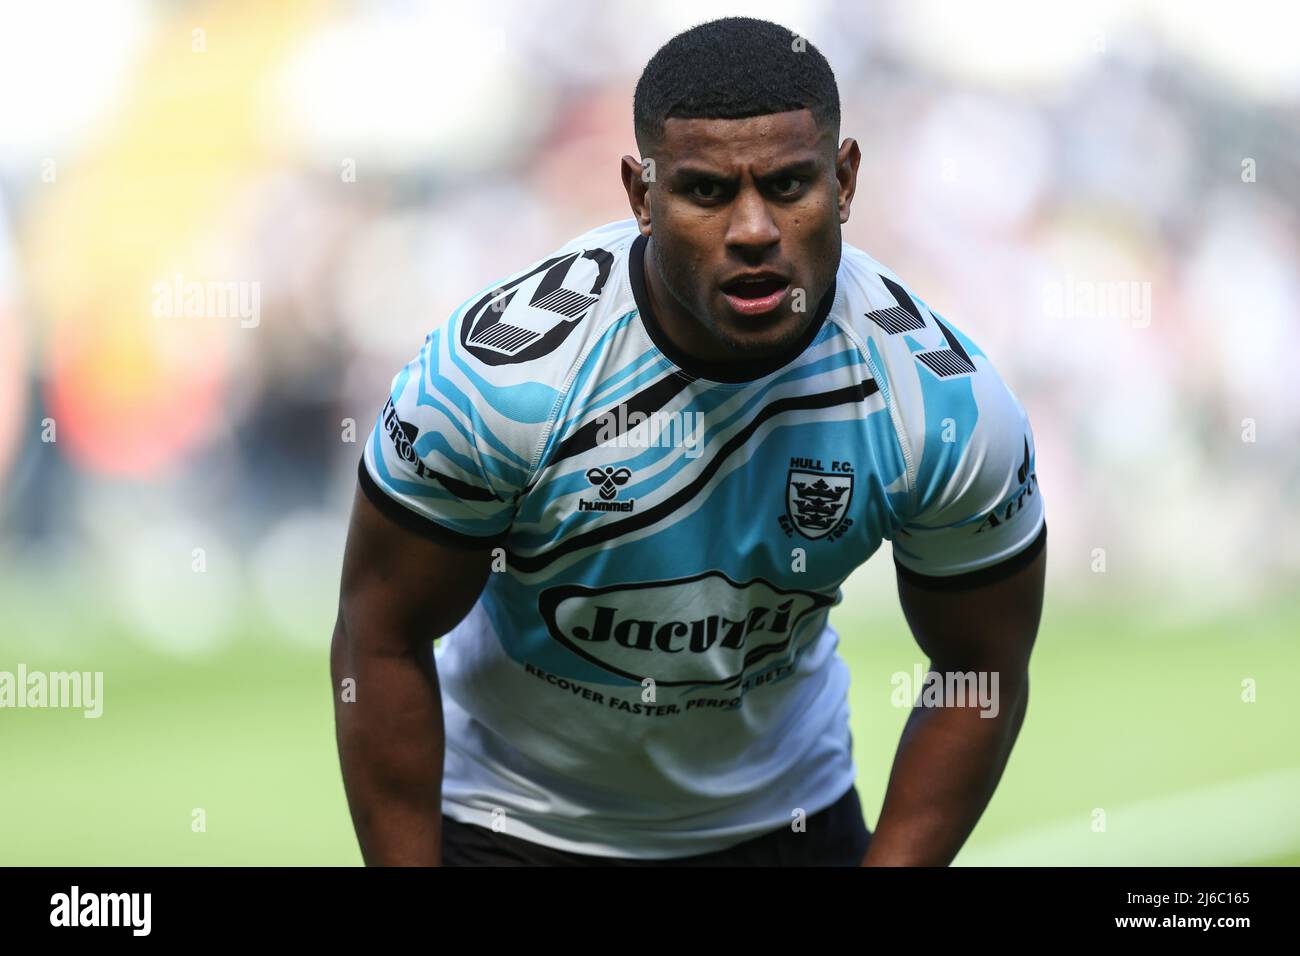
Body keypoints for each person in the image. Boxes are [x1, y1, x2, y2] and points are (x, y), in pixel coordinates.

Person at [331, 15, 1046, 866]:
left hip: (787, 823)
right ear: (640, 195)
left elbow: (984, 664)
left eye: (789, 185)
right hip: (515, 828)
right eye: (707, 191)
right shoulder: (497, 382)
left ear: (845, 179)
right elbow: (379, 635)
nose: (752, 230)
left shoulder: (942, 401)